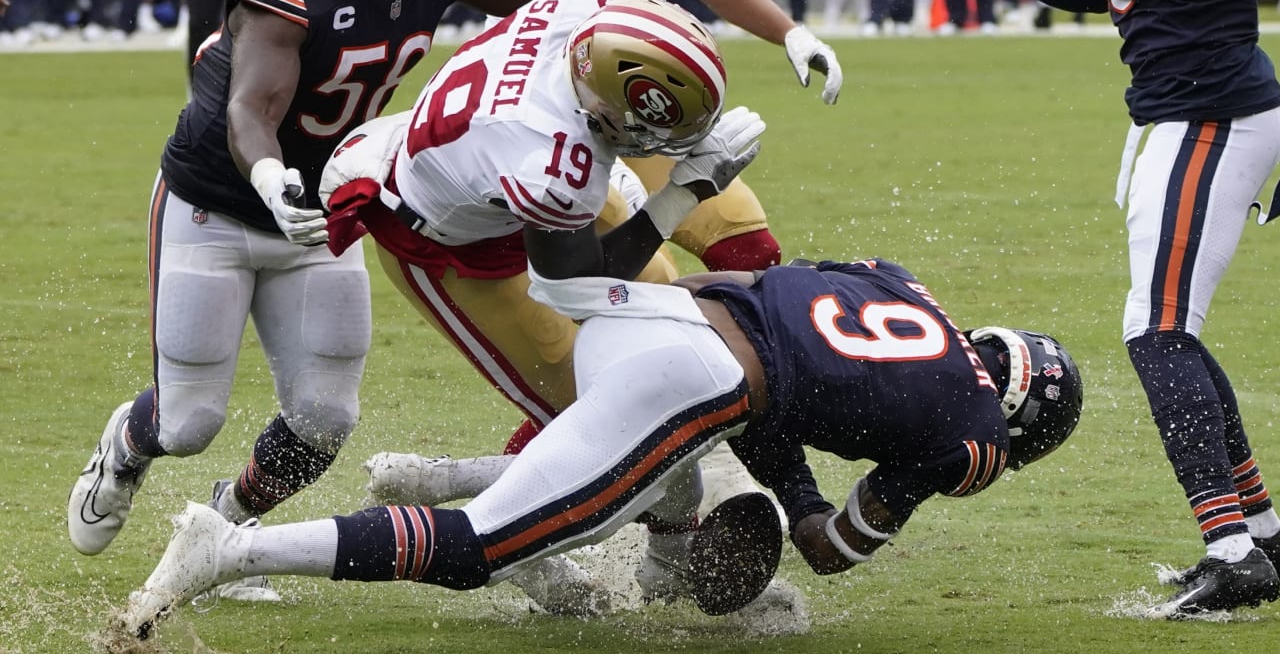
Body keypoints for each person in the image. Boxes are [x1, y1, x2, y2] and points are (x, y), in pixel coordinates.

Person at [65, 0, 647, 597]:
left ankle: (227, 527)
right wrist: (268, 175)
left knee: (324, 417)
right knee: (189, 422)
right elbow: (251, 108)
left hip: (324, 210)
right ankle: (127, 447)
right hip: (217, 200)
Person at [118, 256, 1084, 643]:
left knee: (659, 480)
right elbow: (833, 547)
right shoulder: (977, 440)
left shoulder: (902, 286)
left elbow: (781, 346)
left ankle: (442, 478)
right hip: (699, 378)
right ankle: (231, 550)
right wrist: (797, 520)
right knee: (482, 547)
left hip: (652, 307)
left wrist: (777, 483)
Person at [316, 0, 764, 605]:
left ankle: (668, 551)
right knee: (611, 417)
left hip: (493, 169)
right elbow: (575, 283)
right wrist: (683, 194)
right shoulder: (554, 163)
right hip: (454, 248)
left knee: (665, 336)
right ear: (612, 109)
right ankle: (517, 538)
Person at [921, 0, 1280, 617]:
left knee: (1159, 332)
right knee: (1169, 328)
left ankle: (1234, 554)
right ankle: (1260, 535)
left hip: (1215, 112)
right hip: (1184, 112)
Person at [441, 0, 845, 510]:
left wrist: (789, 30)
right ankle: (517, 483)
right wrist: (604, 170)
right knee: (620, 298)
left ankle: (737, 450)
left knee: (747, 250)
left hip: (644, 101)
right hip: (559, 116)